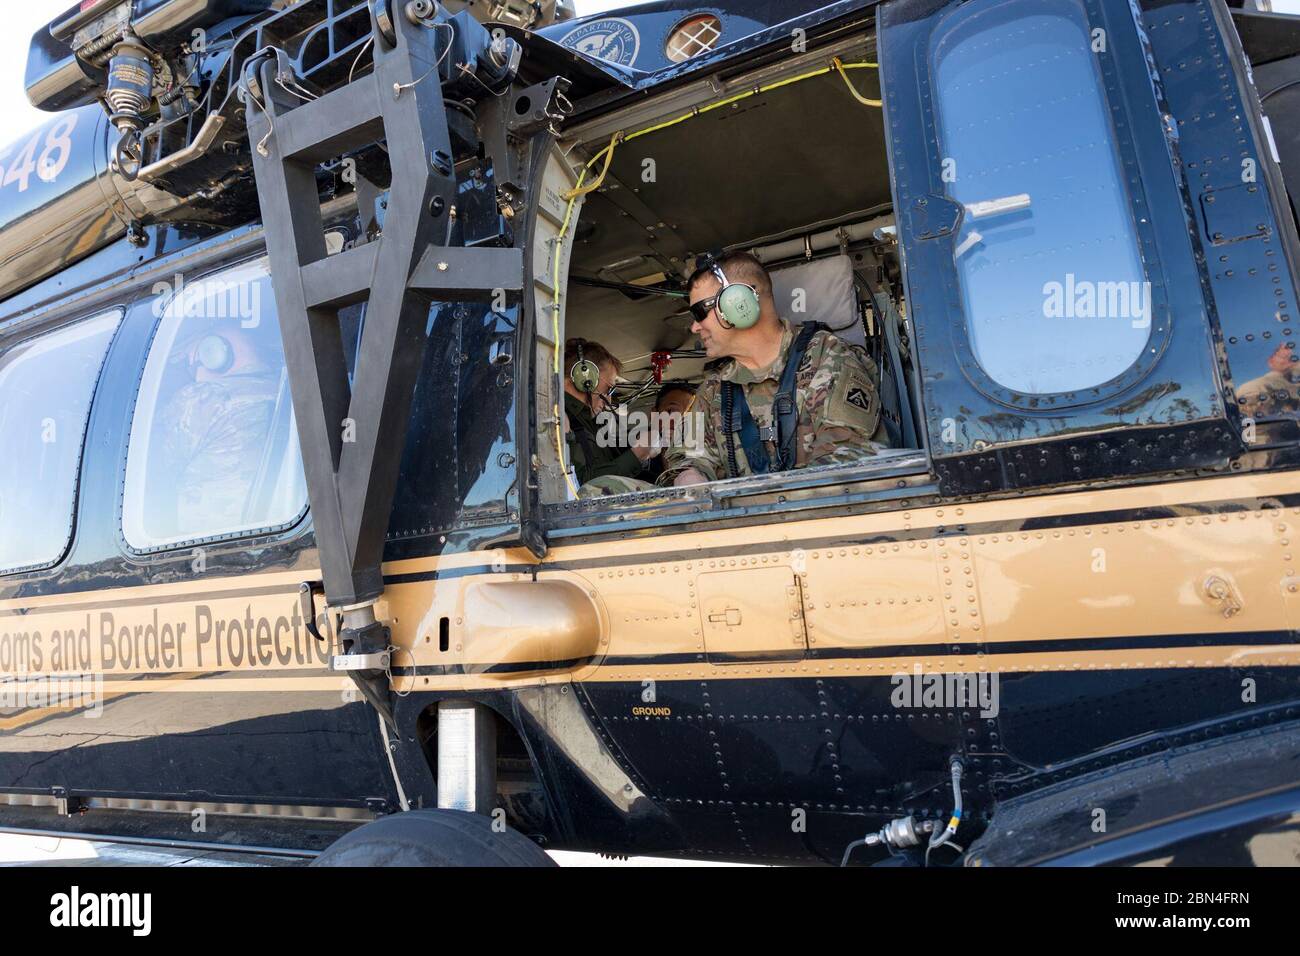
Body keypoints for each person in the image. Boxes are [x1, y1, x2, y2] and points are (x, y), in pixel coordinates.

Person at [658, 252, 888, 486]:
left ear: (739, 303)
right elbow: (687, 456)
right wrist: (689, 474)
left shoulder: (825, 357)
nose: (695, 327)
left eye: (699, 312)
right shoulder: (713, 390)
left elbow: (846, 461)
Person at [563, 337, 654, 487]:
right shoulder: (561, 420)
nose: (609, 400)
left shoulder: (590, 423)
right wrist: (636, 455)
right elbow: (579, 486)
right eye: (609, 389)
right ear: (585, 379)